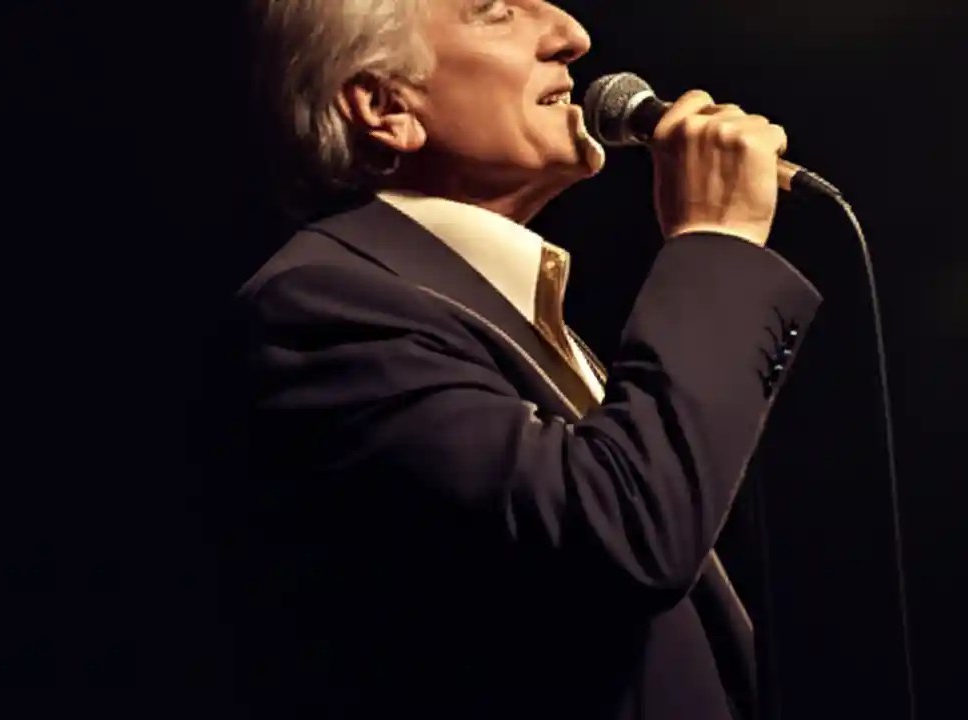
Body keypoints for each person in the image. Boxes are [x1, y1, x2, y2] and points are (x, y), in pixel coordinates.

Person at [219, 1, 823, 718]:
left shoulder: (498, 311)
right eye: (496, 11)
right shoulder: (325, 310)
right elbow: (624, 533)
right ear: (384, 106)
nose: (573, 35)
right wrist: (714, 245)